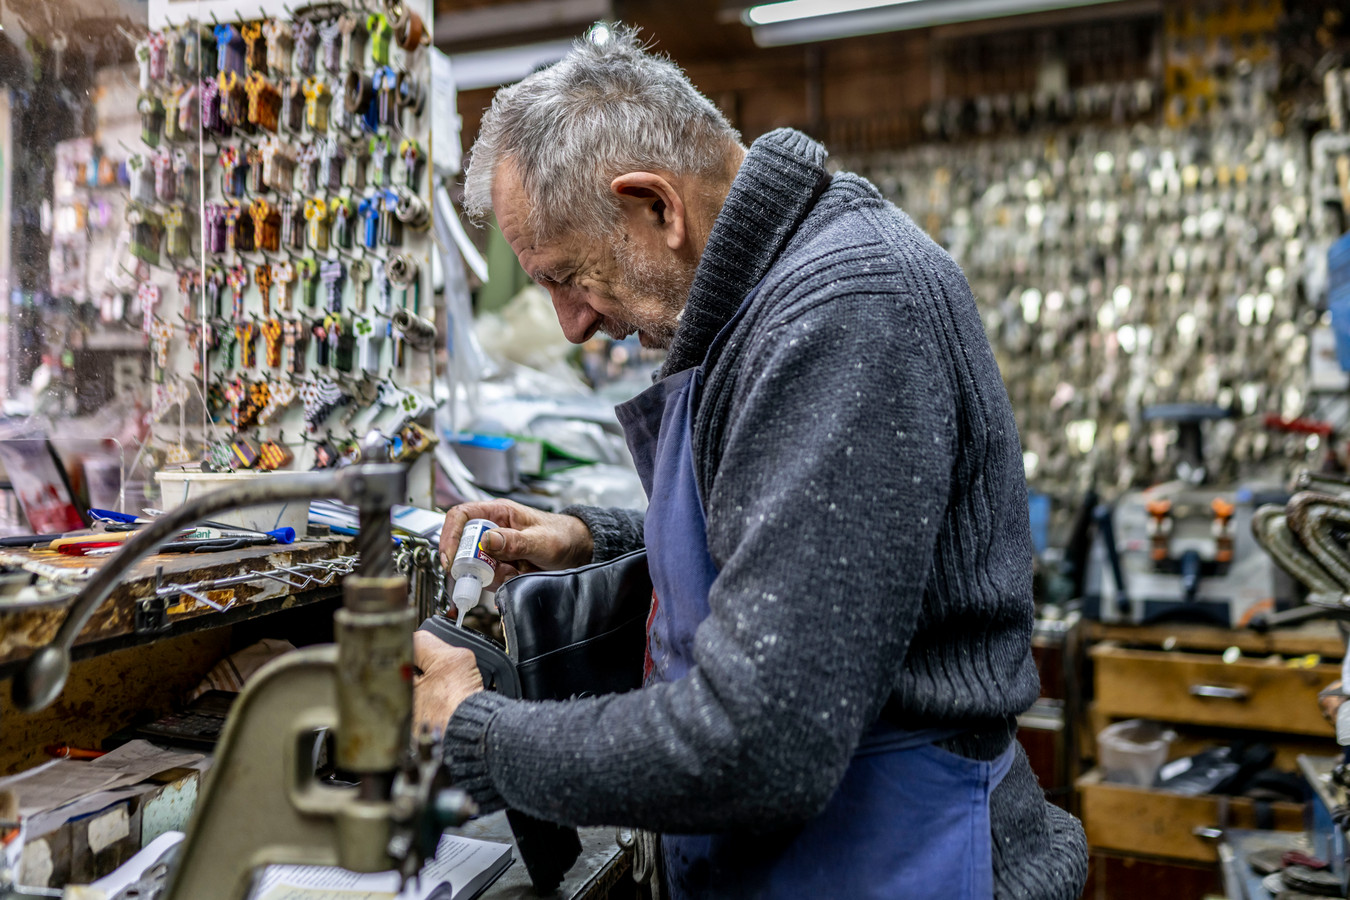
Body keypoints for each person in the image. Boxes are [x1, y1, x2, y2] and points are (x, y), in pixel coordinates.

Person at [415, 26, 1087, 900]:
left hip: (896, 858)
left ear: (656, 207)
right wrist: (593, 538)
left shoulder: (842, 313)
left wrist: (481, 735)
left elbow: (761, 742)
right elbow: (799, 556)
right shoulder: (762, 302)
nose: (572, 324)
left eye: (568, 275)